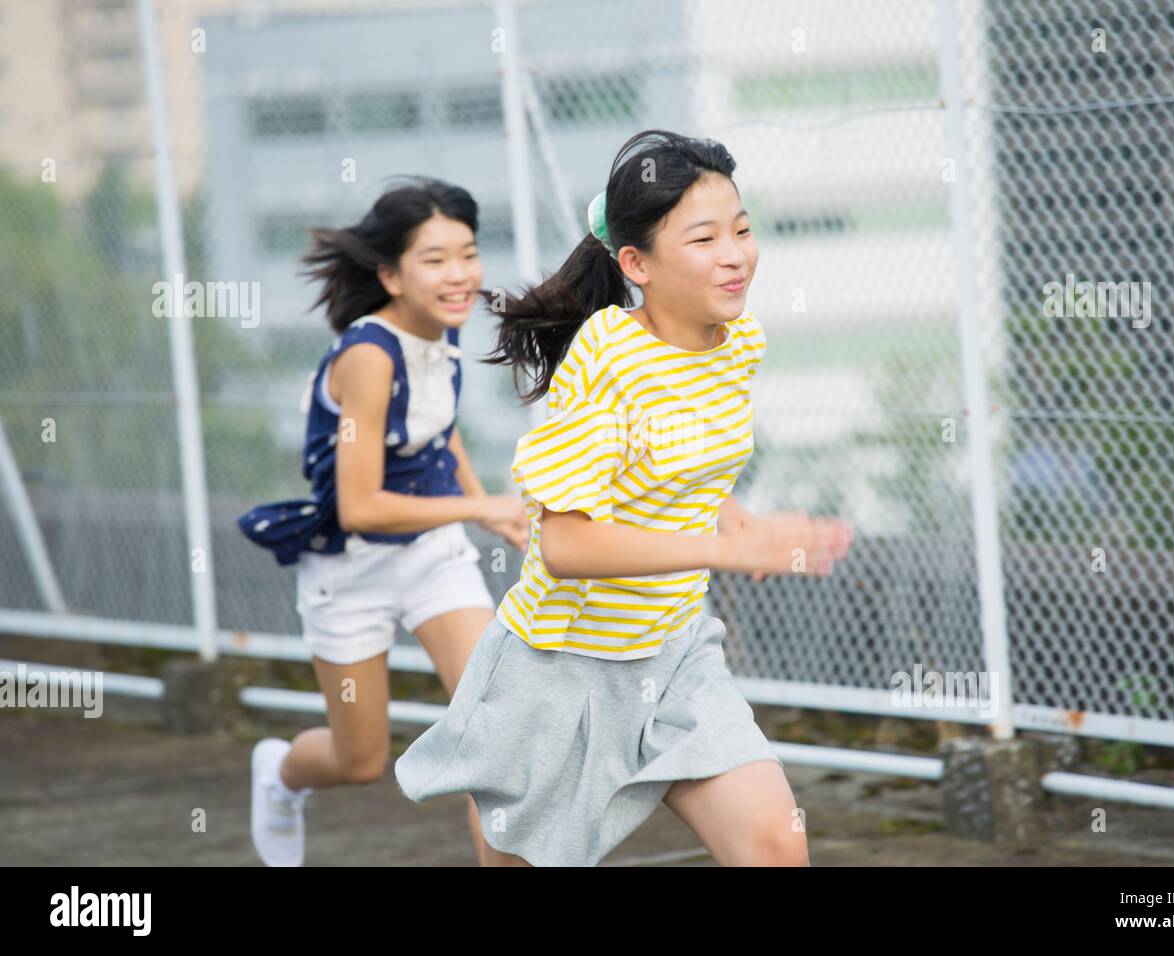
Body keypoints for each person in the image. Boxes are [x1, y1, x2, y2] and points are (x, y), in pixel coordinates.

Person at [394, 131, 851, 866]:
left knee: (773, 841)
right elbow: (568, 544)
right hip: (557, 671)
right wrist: (728, 550)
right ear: (636, 263)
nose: (735, 255)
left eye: (741, 229)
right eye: (704, 238)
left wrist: (745, 525)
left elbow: (686, 476)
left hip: (673, 652)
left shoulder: (736, 342)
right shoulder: (606, 359)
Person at [235, 178, 529, 866]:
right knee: (359, 756)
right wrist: (481, 506)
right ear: (390, 275)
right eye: (435, 259)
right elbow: (360, 504)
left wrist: (485, 510)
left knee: (495, 724)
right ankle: (279, 774)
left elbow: (436, 432)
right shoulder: (369, 357)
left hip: (433, 554)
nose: (459, 275)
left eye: (468, 253)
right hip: (351, 566)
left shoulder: (442, 332)